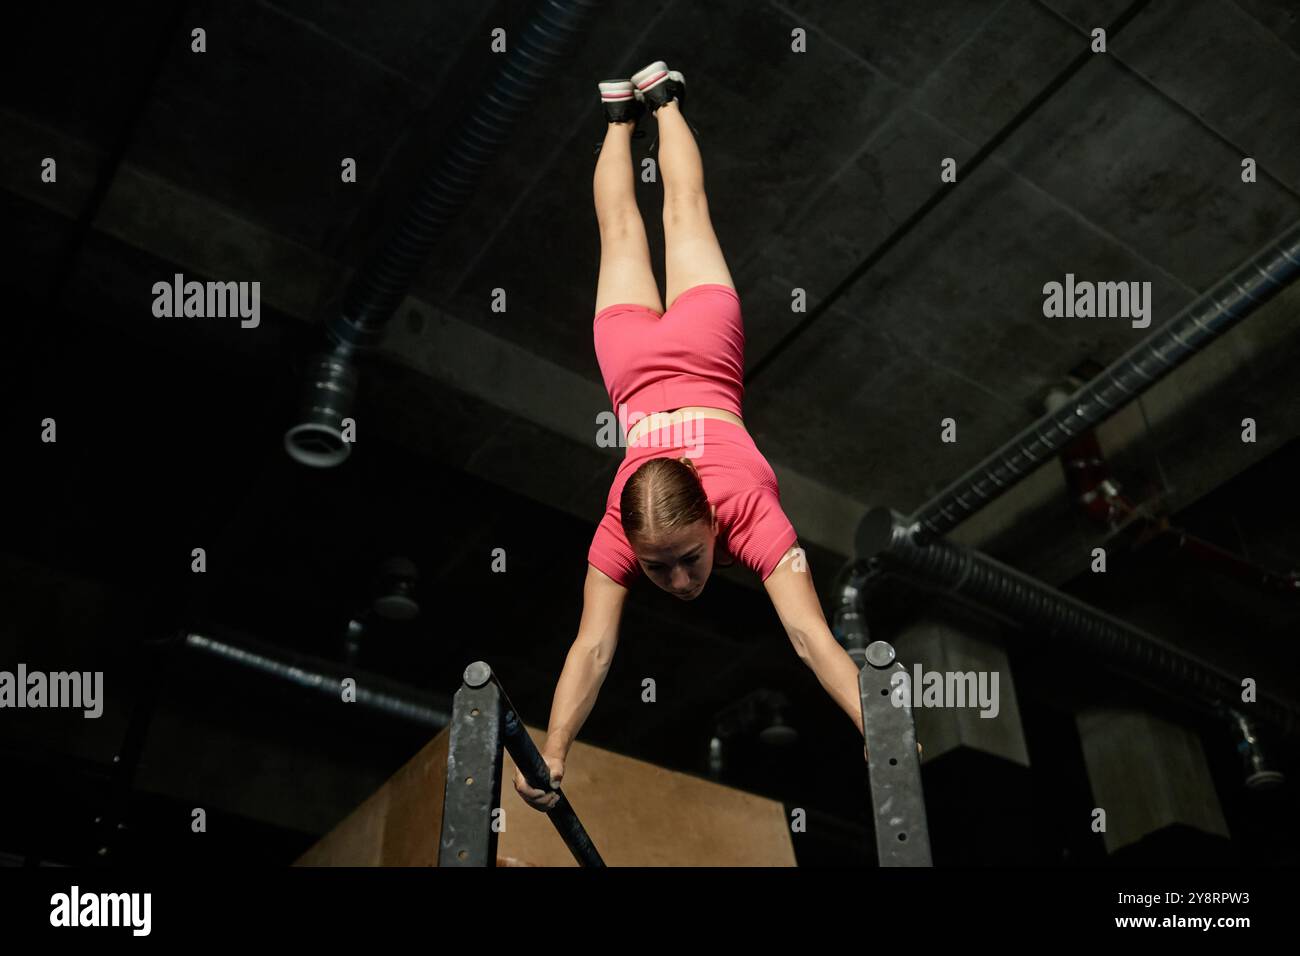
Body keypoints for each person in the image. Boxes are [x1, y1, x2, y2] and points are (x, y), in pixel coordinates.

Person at [516, 61, 866, 811]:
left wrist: (878, 723)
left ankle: (648, 107)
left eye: (683, 561)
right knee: (666, 217)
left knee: (658, 218)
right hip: (671, 355)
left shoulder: (741, 509)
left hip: (652, 362)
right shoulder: (628, 525)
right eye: (661, 568)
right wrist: (551, 749)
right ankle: (635, 109)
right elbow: (597, 648)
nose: (677, 581)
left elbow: (809, 639)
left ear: (714, 518)